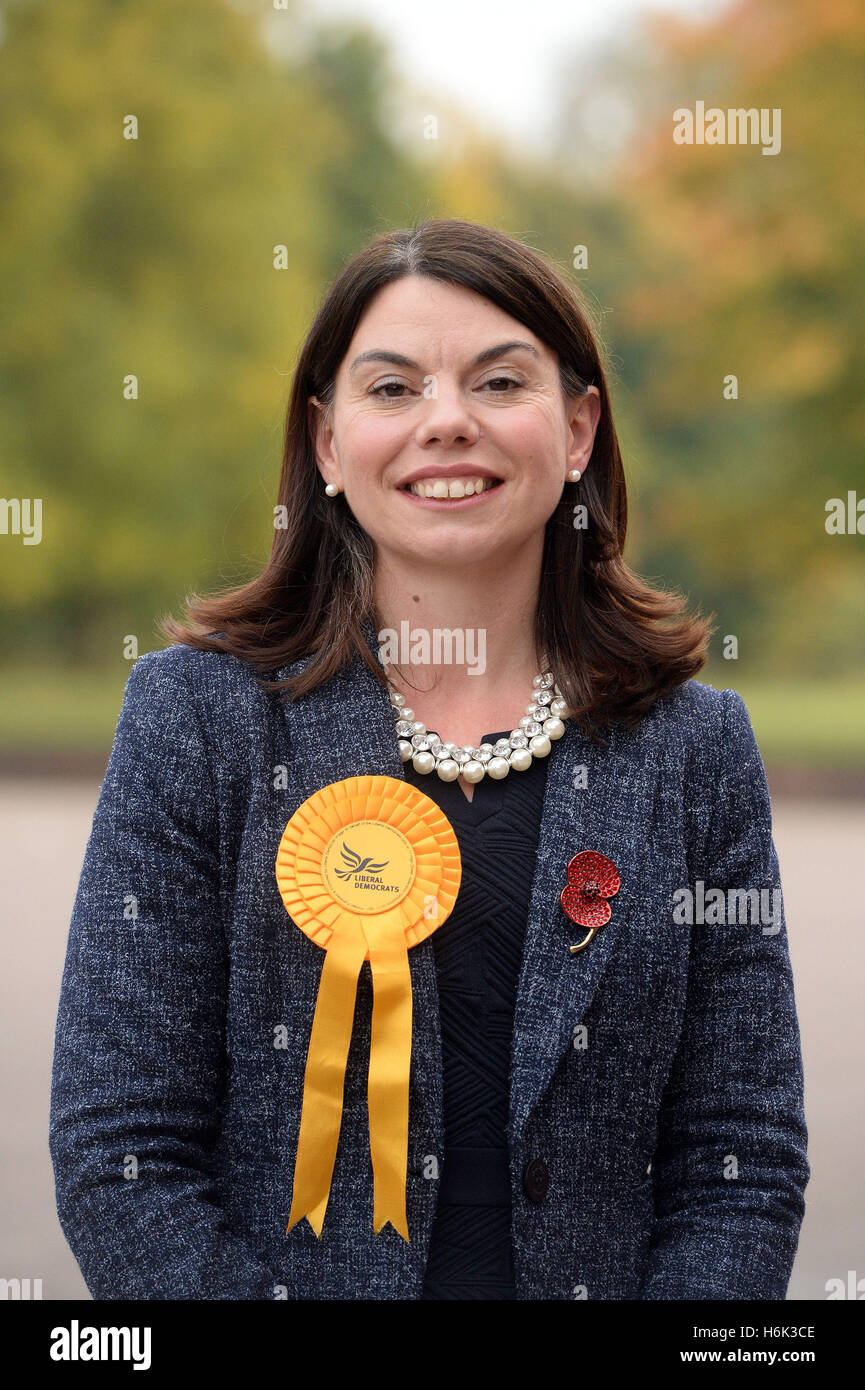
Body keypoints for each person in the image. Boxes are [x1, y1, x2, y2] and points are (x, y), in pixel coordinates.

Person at [49, 217, 809, 1300]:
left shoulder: (696, 751)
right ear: (325, 443)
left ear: (580, 427)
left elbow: (741, 1169)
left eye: (500, 382)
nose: (446, 422)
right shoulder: (198, 720)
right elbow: (121, 1159)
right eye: (393, 389)